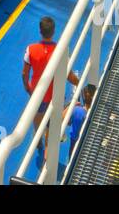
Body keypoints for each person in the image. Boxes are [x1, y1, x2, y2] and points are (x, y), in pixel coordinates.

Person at [23, 16, 78, 166]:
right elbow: (68, 75)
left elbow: (24, 73)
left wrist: (28, 88)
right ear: (53, 32)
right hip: (55, 95)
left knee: (37, 116)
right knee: (52, 125)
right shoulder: (60, 51)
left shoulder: (30, 49)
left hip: (37, 94)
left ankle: (37, 139)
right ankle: (47, 154)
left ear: (40, 31)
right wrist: (78, 83)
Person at [68, 84, 97, 152]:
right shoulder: (95, 113)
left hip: (74, 140)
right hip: (88, 141)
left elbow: (68, 122)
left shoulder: (77, 110)